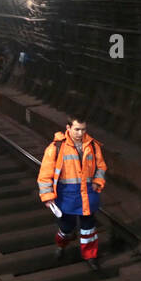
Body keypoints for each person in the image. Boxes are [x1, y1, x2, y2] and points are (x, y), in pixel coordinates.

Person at [37, 116, 107, 270]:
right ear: (68, 128)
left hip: (88, 195)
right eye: (77, 129)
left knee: (88, 229)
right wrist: (48, 197)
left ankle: (90, 256)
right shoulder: (56, 148)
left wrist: (97, 181)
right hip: (66, 197)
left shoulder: (93, 146)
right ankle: (61, 244)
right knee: (66, 228)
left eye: (83, 129)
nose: (80, 133)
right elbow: (44, 175)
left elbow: (101, 167)